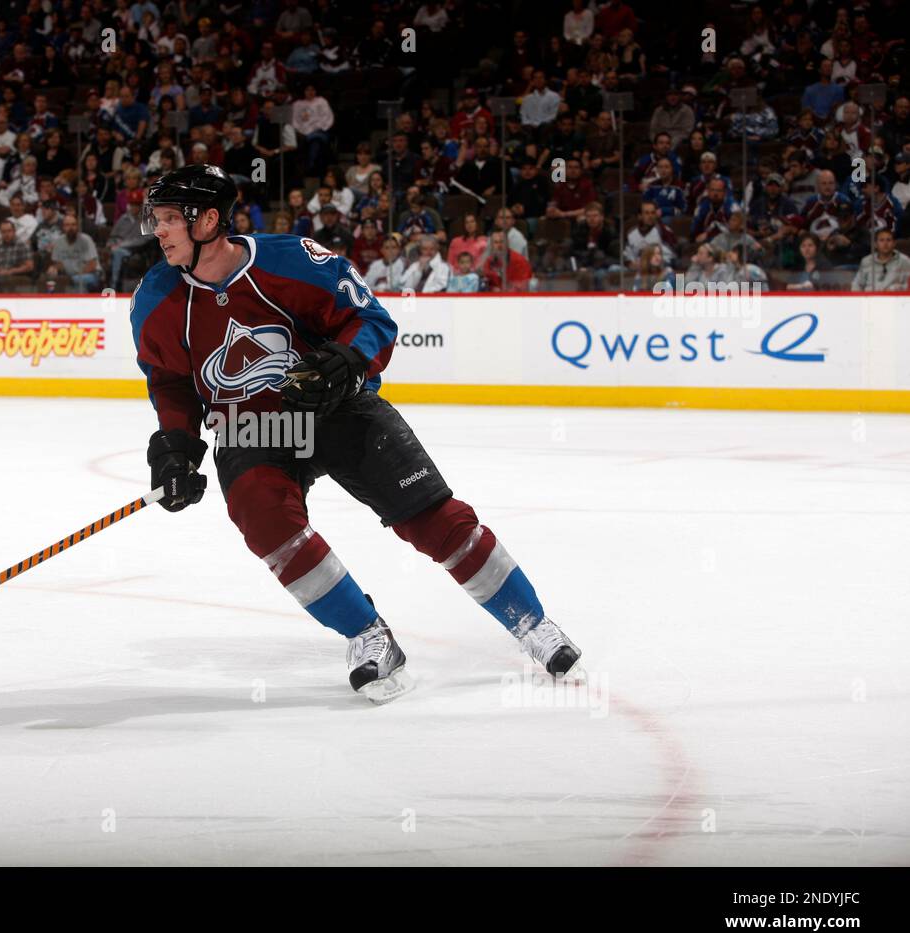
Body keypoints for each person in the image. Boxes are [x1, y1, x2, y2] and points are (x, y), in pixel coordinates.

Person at [130, 165, 582, 703]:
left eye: (167, 220)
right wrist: (177, 448)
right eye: (155, 219)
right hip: (251, 429)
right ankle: (367, 635)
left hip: (337, 411)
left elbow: (372, 321)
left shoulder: (291, 260)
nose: (158, 231)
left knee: (432, 517)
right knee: (266, 522)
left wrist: (344, 362)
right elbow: (171, 382)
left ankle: (531, 623)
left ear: (207, 220)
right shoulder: (155, 297)